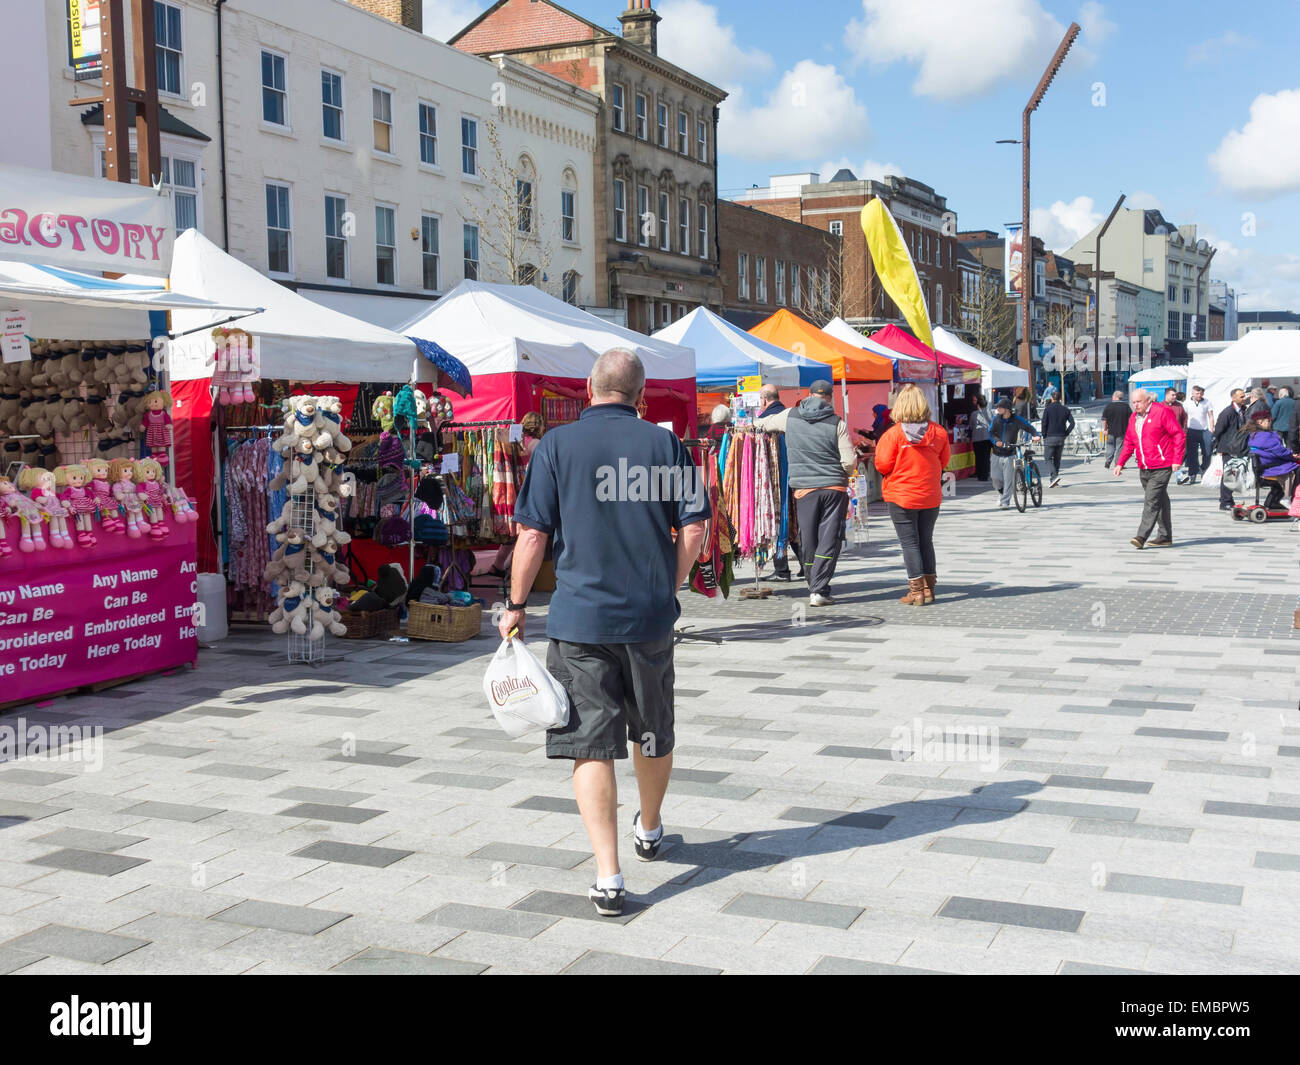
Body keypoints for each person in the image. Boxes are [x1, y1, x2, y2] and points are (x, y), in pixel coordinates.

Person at [501, 349, 709, 918]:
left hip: (579, 619)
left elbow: (532, 537)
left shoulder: (555, 447)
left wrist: (516, 605)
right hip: (648, 616)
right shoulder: (665, 446)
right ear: (641, 398)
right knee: (652, 730)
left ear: (588, 388)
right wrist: (670, 586)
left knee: (590, 743)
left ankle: (608, 876)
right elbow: (694, 528)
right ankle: (649, 824)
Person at [755, 378, 857, 606]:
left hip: (803, 489)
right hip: (833, 488)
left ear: (809, 395)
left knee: (808, 537)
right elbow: (849, 462)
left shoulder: (790, 416)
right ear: (830, 398)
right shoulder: (836, 422)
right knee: (829, 538)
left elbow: (762, 424)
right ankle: (819, 589)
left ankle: (814, 586)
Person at [873, 385, 951, 605]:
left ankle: (916, 592)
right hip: (930, 495)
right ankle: (928, 589)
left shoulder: (893, 435)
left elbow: (882, 464)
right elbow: (944, 462)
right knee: (926, 541)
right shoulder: (939, 432)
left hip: (901, 496)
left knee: (909, 543)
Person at [1113, 388, 1186, 548]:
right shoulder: (1134, 418)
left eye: (1138, 402)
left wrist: (1177, 459)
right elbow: (1129, 442)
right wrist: (1120, 462)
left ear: (1147, 400)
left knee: (1151, 500)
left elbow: (1178, 434)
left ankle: (1141, 536)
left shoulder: (1161, 412)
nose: (1135, 405)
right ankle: (1165, 536)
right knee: (1160, 500)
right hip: (1145, 466)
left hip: (1162, 464)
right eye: (1133, 402)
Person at [489, 412, 546, 579]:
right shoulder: (536, 443)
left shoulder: (515, 440)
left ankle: (498, 565)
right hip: (526, 489)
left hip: (511, 488)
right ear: (539, 425)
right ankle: (515, 570)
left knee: (512, 533)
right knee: (525, 532)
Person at [757, 384, 800, 581]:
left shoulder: (763, 421)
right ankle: (807, 568)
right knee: (792, 522)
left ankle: (782, 570)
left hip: (773, 480)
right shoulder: (791, 417)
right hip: (795, 477)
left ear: (764, 400)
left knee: (778, 520)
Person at [988, 399, 1041, 509]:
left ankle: (1006, 501)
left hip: (1010, 453)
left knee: (1008, 480)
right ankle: (1002, 494)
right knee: (995, 479)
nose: (997, 409)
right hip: (997, 453)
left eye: (999, 407)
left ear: (1006, 409)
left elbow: (1029, 427)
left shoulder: (1016, 419)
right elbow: (991, 432)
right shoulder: (996, 419)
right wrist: (996, 441)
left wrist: (1036, 435)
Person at [1245, 410, 1300, 509]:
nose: (1270, 423)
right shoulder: (1266, 436)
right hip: (1269, 468)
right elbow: (1281, 452)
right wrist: (1293, 455)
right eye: (1268, 421)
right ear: (1260, 422)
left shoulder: (1254, 435)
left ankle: (1273, 502)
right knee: (1297, 470)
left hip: (1262, 467)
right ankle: (1287, 497)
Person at [1212, 387, 1249, 511]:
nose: (1244, 398)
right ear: (1233, 398)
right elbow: (1218, 430)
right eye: (1241, 397)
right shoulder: (1228, 412)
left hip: (1238, 447)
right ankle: (1225, 501)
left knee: (1233, 474)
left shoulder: (1243, 410)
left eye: (1244, 396)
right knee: (1228, 474)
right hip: (1228, 447)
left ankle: (1227, 499)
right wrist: (1218, 446)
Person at [1039, 394, 1075, 488]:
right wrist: (1066, 433)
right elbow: (1072, 423)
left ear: (1052, 398)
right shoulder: (1065, 409)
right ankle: (1054, 479)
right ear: (1060, 399)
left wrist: (1044, 435)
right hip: (1061, 437)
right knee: (1057, 459)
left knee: (1047, 458)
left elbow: (1044, 423)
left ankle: (1054, 477)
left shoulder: (1047, 409)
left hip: (1049, 436)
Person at [1182, 384, 1215, 483]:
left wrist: (1212, 428)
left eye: (1201, 393)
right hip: (1191, 430)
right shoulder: (1187, 403)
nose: (1199, 395)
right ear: (1192, 393)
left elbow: (1211, 415)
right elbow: (1184, 417)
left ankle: (1204, 468)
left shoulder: (1207, 402)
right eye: (1197, 393)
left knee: (1208, 452)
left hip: (1204, 430)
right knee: (1192, 453)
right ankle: (1193, 473)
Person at [1102, 390, 1131, 469]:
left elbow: (1104, 419)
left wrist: (1105, 429)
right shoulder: (1126, 406)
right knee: (1119, 448)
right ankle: (1118, 464)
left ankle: (1108, 461)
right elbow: (1131, 418)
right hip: (1122, 431)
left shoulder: (1108, 406)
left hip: (1110, 431)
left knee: (1110, 446)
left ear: (1115, 397)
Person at [971, 394, 992, 482]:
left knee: (978, 457)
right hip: (987, 437)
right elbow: (992, 424)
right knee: (986, 457)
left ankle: (980, 475)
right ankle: (985, 474)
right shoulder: (989, 412)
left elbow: (971, 426)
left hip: (977, 438)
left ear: (978, 404)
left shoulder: (974, 414)